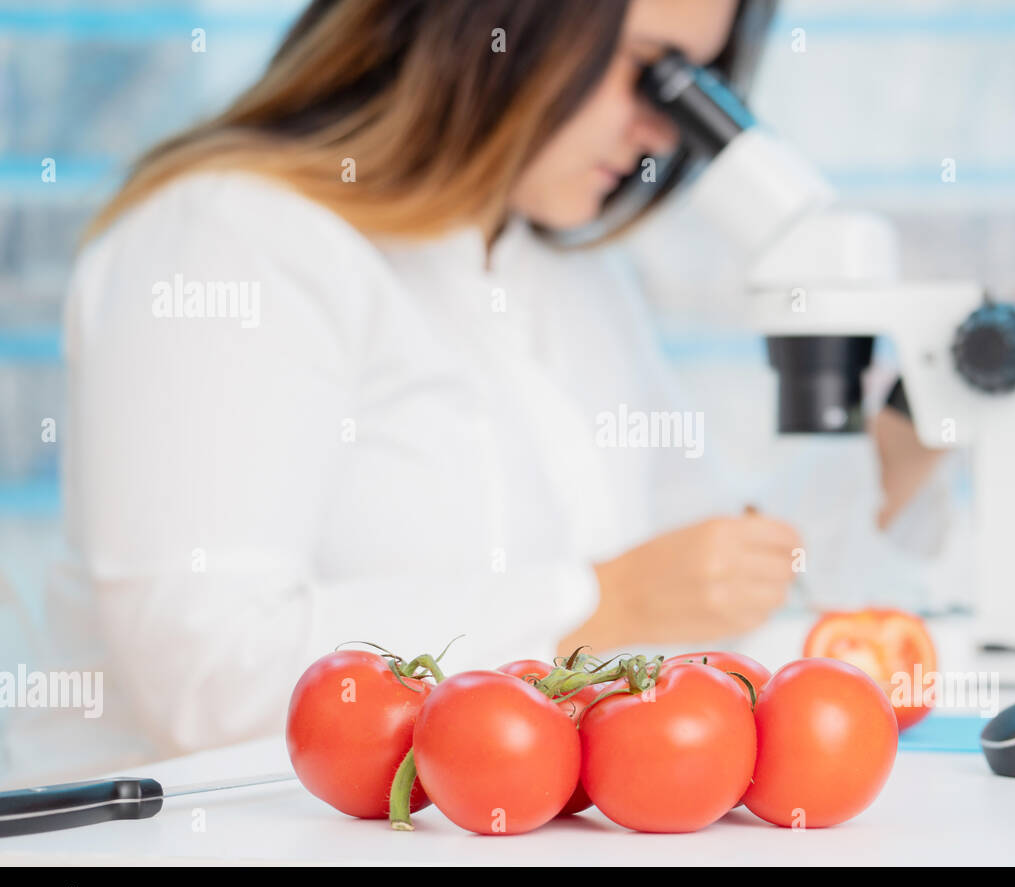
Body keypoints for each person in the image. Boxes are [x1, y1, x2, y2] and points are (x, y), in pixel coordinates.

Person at [42, 0, 956, 766]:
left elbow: (717, 581)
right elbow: (207, 680)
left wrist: (906, 439)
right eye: (648, 69)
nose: (660, 129)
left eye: (696, 85)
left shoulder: (564, 273)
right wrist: (593, 607)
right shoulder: (230, 240)